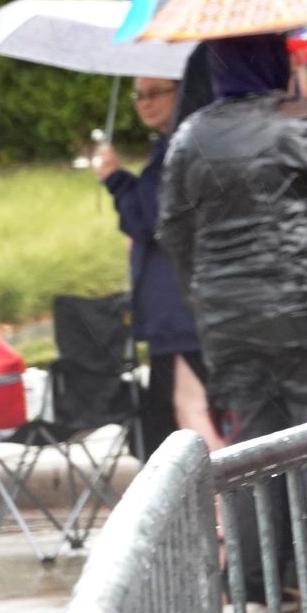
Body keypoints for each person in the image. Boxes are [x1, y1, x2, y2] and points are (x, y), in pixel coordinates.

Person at [159, 32, 307, 608]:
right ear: (273, 61)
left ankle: (257, 583)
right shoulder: (306, 124)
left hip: (228, 321)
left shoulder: (189, 137)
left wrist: (209, 304)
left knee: (251, 448)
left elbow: (175, 234)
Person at [94, 75, 221, 453]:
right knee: (173, 416)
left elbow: (148, 218)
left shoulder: (178, 149)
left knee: (191, 415)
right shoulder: (172, 146)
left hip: (180, 310)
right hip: (176, 309)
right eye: (138, 96)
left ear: (181, 91)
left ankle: (222, 509)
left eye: (155, 93)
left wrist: (116, 179)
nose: (144, 103)